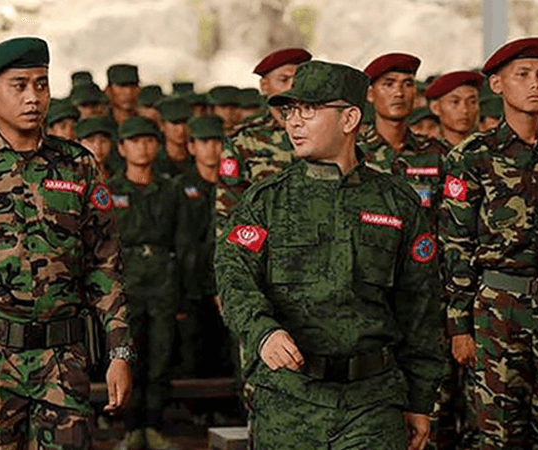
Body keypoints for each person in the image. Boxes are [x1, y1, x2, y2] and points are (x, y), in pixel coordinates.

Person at [0, 37, 133, 449]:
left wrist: (119, 352)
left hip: (63, 358)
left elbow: (105, 266)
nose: (33, 97)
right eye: (19, 85)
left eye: (41, 84)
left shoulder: (79, 164)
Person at [215, 60, 443, 450]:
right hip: (289, 402)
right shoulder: (266, 201)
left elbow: (420, 307)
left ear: (350, 118)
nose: (293, 123)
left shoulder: (395, 202)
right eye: (290, 111)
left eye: (309, 109)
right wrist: (262, 331)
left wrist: (421, 399)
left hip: (372, 404)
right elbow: (233, 276)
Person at [438, 37, 538, 449]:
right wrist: (459, 325)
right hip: (498, 309)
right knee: (497, 432)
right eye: (523, 75)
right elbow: (456, 245)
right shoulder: (473, 156)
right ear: (497, 85)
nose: (535, 84)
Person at [109, 116, 179, 450]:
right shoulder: (109, 190)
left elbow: (184, 240)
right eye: (135, 141)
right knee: (126, 354)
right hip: (126, 283)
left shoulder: (171, 188)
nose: (143, 146)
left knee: (162, 355)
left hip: (163, 280)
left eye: (149, 140)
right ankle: (130, 427)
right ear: (121, 147)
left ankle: (154, 425)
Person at [214, 48, 311, 233]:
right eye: (284, 80)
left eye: (298, 79)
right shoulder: (244, 140)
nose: (292, 86)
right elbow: (228, 210)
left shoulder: (323, 131)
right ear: (264, 86)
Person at [173, 115, 231, 379]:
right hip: (190, 285)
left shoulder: (234, 188)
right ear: (192, 146)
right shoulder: (178, 188)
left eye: (217, 141)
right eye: (204, 142)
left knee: (226, 354)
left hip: (225, 282)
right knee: (192, 354)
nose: (212, 148)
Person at [360, 53, 447, 216]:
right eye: (389, 84)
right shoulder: (353, 152)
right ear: (370, 94)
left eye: (407, 84)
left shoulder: (436, 154)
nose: (399, 93)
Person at [425, 71, 484, 150]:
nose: (465, 110)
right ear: (436, 108)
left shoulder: (491, 151)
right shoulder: (425, 153)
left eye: (472, 102)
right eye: (455, 102)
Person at [154, 96, 195, 178]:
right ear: (162, 125)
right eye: (175, 123)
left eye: (185, 122)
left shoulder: (199, 159)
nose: (181, 129)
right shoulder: (154, 162)